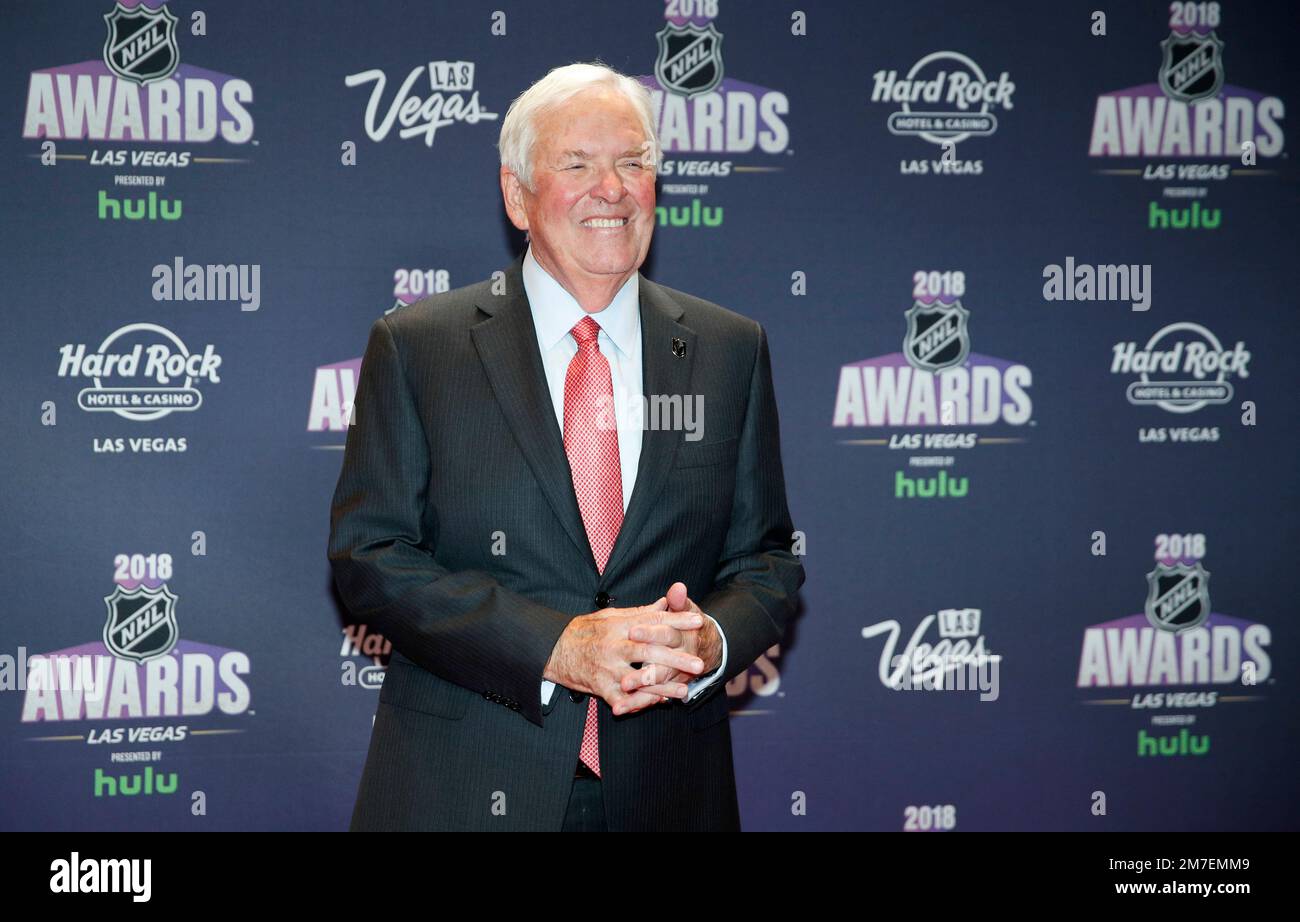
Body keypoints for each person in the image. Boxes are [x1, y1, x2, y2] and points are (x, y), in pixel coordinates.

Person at [328, 62, 803, 831]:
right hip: (464, 785)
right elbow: (370, 555)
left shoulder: (729, 348)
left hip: (668, 788)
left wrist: (706, 641)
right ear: (518, 195)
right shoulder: (420, 347)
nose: (610, 188)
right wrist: (556, 647)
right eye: (576, 164)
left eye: (632, 162)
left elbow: (767, 561)